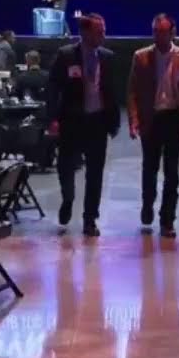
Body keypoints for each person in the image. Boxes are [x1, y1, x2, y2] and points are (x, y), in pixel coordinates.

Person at [127, 14, 179, 239]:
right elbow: (132, 91)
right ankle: (147, 204)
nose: (157, 36)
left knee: (172, 171)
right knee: (149, 168)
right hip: (151, 118)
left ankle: (168, 219)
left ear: (172, 33)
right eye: (155, 32)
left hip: (174, 117)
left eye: (162, 32)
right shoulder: (141, 57)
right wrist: (134, 120)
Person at [46, 13, 118, 236]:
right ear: (85, 33)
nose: (103, 35)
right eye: (99, 31)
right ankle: (68, 199)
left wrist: (114, 121)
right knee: (66, 167)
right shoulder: (66, 55)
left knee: (95, 173)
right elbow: (52, 88)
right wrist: (52, 119)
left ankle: (90, 219)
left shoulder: (107, 57)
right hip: (72, 122)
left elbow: (112, 92)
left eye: (104, 31)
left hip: (97, 122)